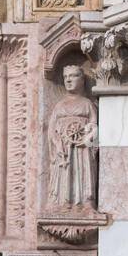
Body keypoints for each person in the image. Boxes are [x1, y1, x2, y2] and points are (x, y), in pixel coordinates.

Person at [46, 65, 98, 210]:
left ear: (82, 80)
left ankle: (86, 202)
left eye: (73, 76)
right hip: (63, 148)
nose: (68, 80)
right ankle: (62, 202)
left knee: (83, 171)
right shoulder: (59, 106)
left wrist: (86, 138)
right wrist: (57, 143)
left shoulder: (88, 104)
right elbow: (51, 129)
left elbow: (94, 126)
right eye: (65, 77)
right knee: (63, 171)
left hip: (82, 148)